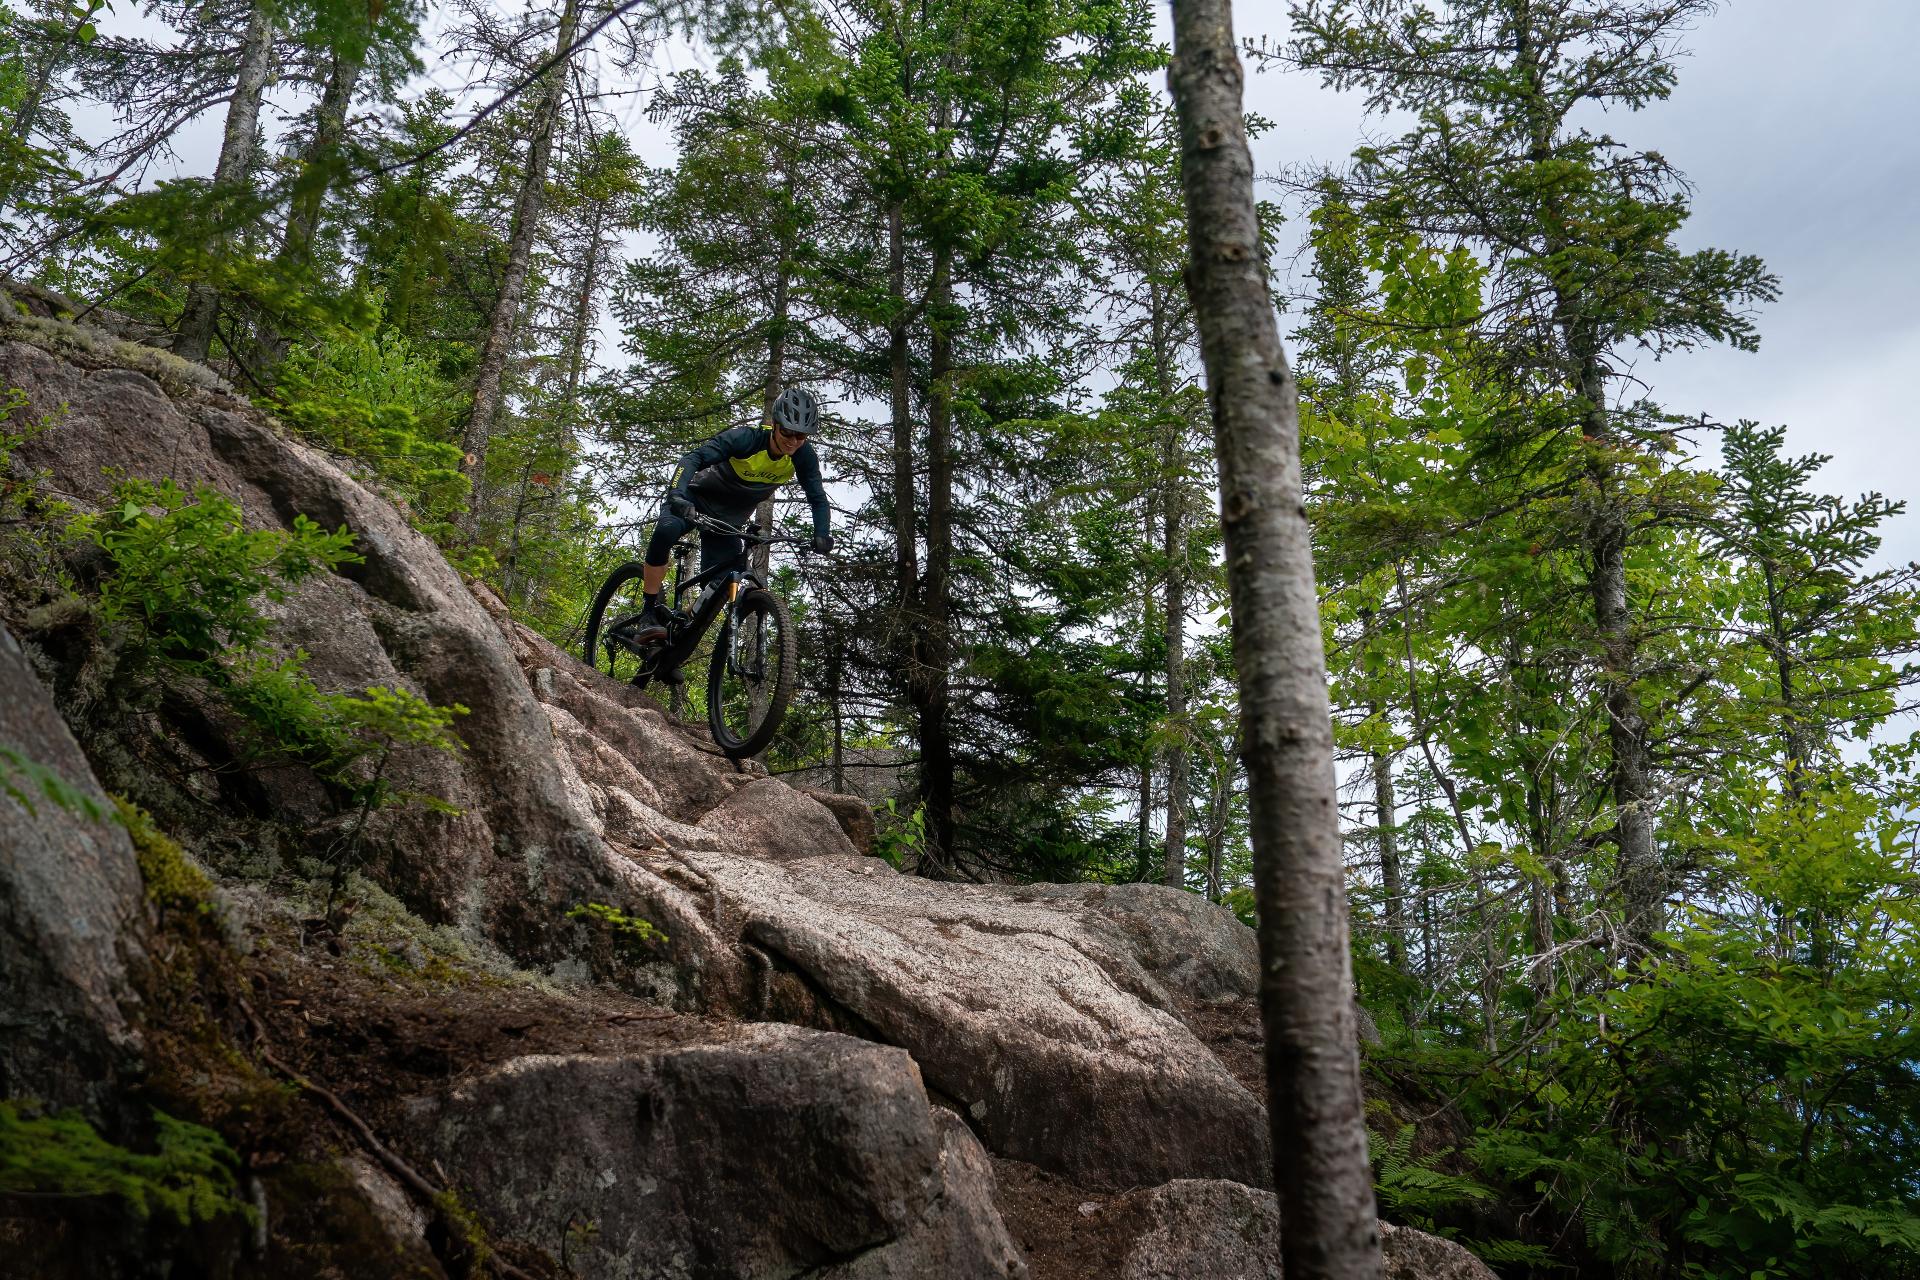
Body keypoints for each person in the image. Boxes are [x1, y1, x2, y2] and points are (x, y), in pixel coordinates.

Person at [632, 386, 833, 639]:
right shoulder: (747, 439)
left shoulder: (803, 457)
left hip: (726, 521)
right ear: (775, 424)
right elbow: (692, 458)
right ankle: (648, 612)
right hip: (695, 500)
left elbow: (817, 497)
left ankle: (680, 631)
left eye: (801, 436)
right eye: (787, 432)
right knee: (666, 530)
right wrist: (676, 495)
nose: (793, 441)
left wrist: (822, 534)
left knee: (722, 585)